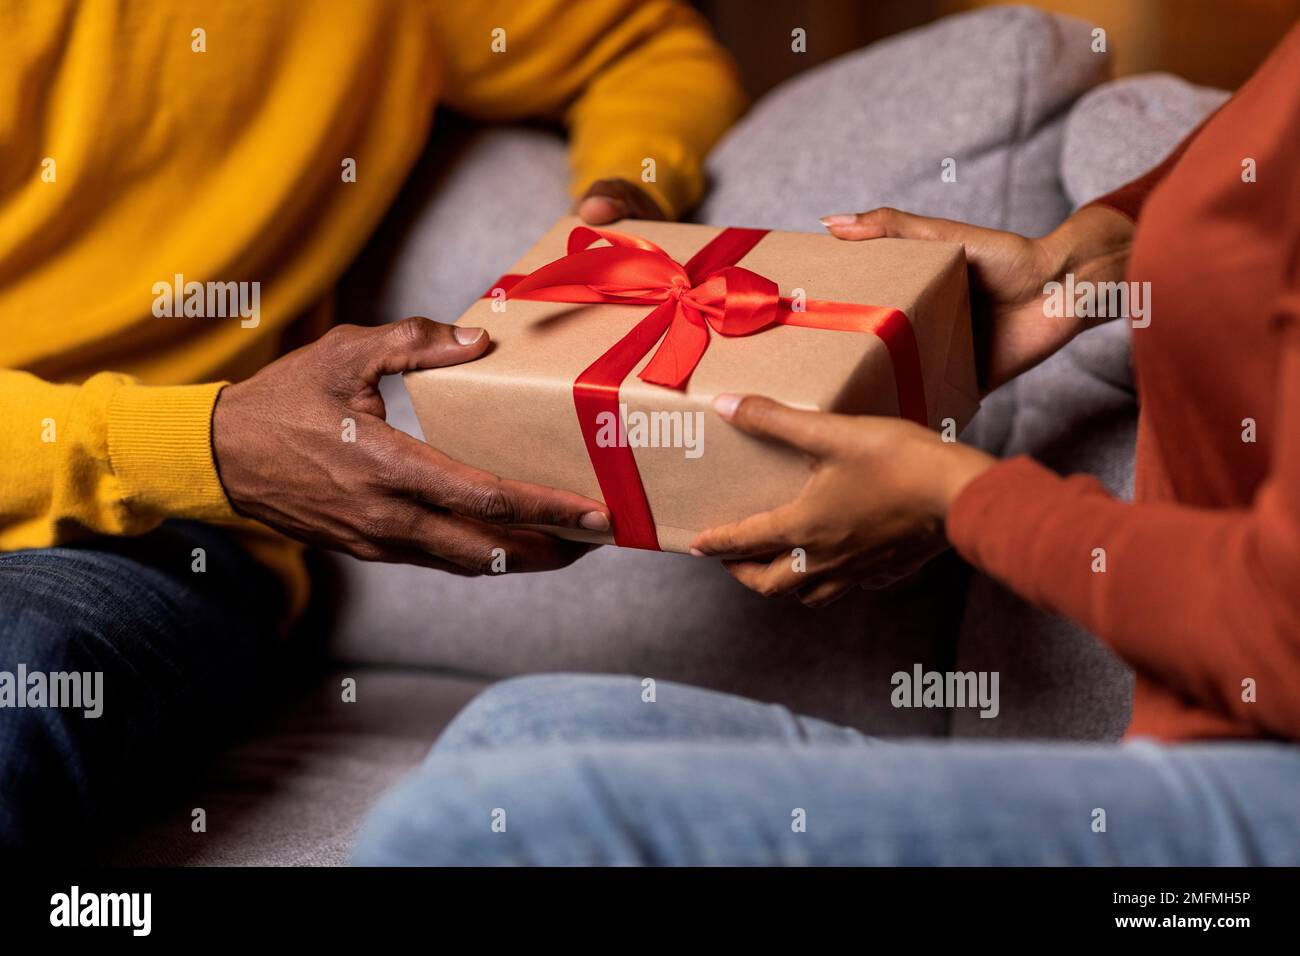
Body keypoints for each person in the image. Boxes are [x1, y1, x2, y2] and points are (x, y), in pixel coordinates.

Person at [351, 23, 1300, 865]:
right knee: (520, 730)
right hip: (1186, 757)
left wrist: (961, 501)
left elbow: (1278, 631)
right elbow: (1252, 186)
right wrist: (1074, 266)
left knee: (469, 829)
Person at [0, 0, 744, 852]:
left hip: (144, 539)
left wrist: (624, 203)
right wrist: (200, 442)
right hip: (182, 468)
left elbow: (644, 46)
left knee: (21, 662)